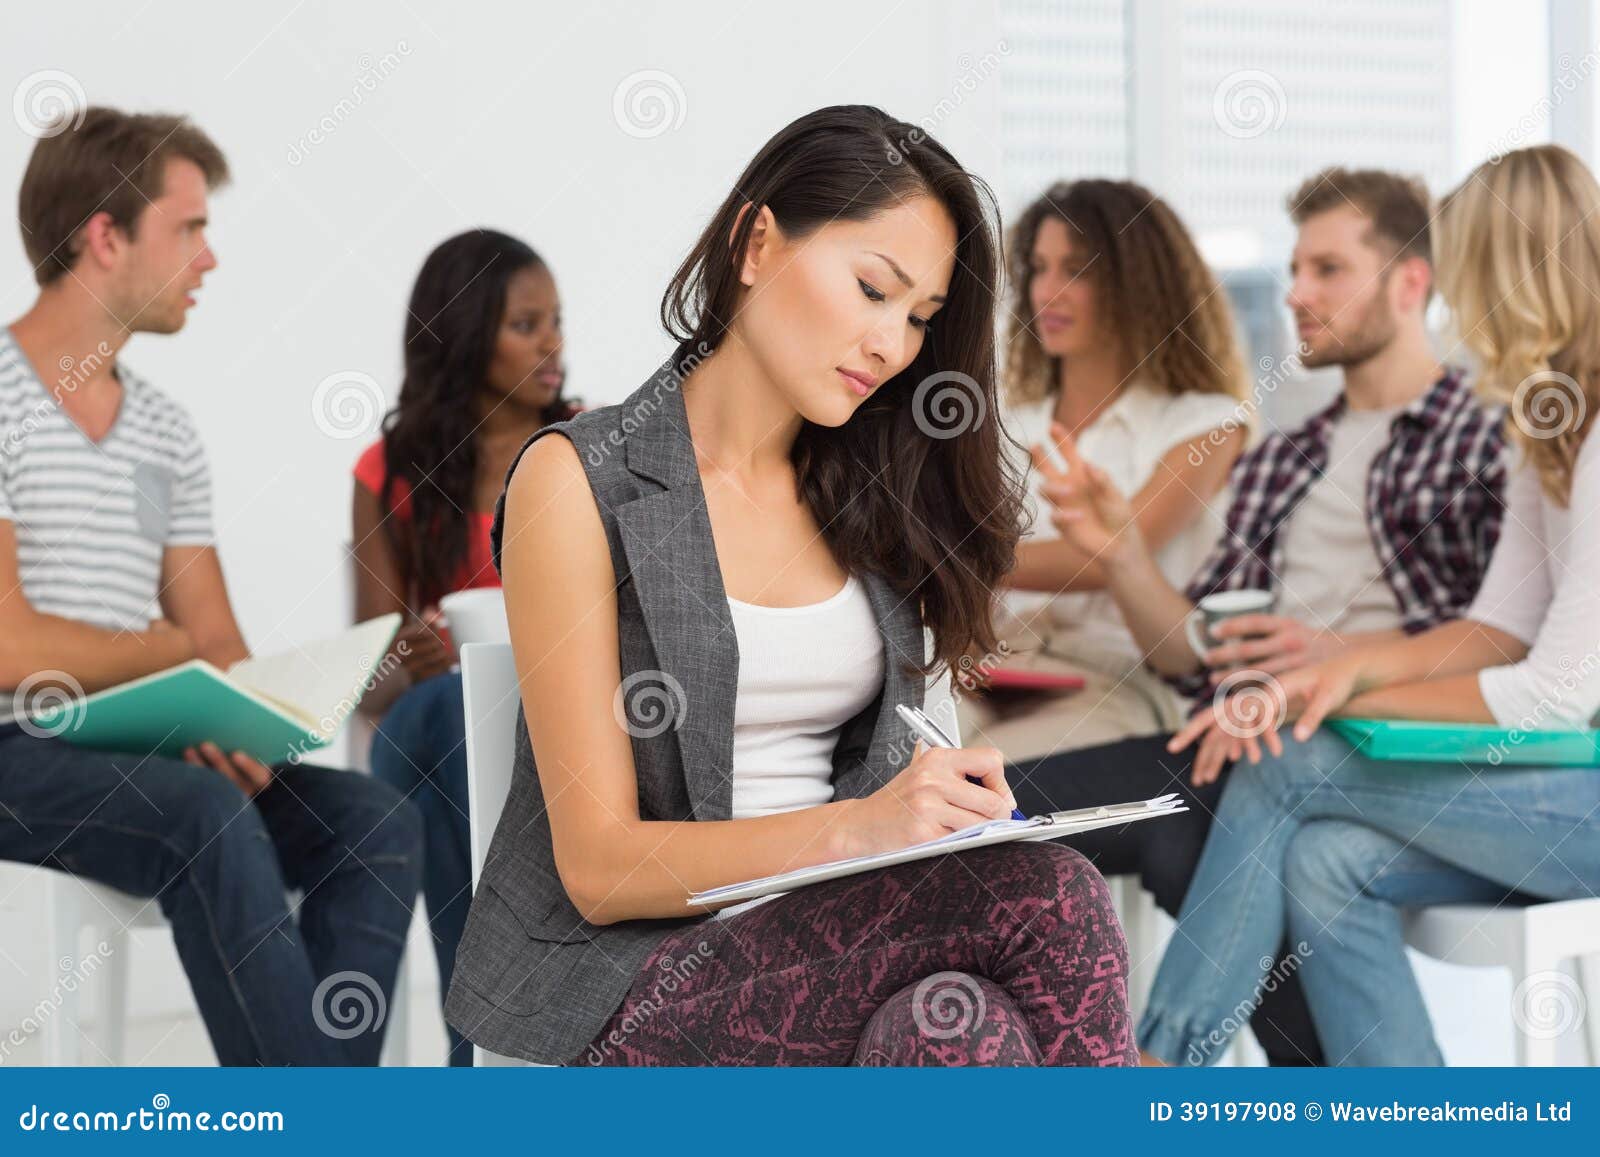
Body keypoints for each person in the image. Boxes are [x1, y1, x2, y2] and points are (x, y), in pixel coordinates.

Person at [444, 105, 1137, 1068]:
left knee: (955, 1030)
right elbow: (599, 867)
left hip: (846, 958)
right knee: (1051, 896)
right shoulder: (578, 478)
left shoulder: (873, 494)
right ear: (758, 242)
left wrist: (937, 809)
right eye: (871, 288)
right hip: (638, 988)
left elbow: (897, 766)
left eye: (919, 320)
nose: (894, 345)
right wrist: (862, 829)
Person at [1007, 167, 1508, 1065]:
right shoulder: (1284, 459)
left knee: (1199, 812)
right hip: (1246, 735)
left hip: (1388, 751)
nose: (1297, 295)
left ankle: (1156, 1069)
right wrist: (1120, 552)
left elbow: (1509, 646)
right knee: (1006, 805)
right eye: (1294, 270)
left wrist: (1336, 659)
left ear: (1410, 282)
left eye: (1327, 270)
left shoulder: (1485, 435)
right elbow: (1185, 656)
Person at [1135, 143, 1600, 1067]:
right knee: (1324, 861)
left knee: (1283, 761)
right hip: (1560, 793)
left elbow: (1555, 695)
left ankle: (1152, 1074)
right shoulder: (1546, 427)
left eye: (1468, 279)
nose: (1459, 309)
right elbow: (1494, 630)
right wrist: (1336, 667)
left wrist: (1322, 697)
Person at [0, 107, 422, 1066]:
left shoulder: (166, 432)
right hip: (15, 748)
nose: (210, 259)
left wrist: (240, 720)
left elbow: (214, 641)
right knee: (202, 814)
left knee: (375, 822)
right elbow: (9, 649)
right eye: (188, 229)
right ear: (105, 238)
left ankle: (304, 1116)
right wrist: (165, 653)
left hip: (143, 748)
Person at [352, 228, 577, 1066]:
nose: (553, 343)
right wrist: (407, 656)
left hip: (565, 717)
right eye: (526, 324)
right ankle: (481, 1039)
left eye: (556, 320)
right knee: (440, 710)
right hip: (442, 730)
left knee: (451, 715)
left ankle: (473, 1050)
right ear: (464, 331)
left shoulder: (590, 444)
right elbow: (367, 683)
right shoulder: (389, 472)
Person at [958, 179, 1248, 758]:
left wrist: (952, 554)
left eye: (1077, 271)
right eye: (1039, 268)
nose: (1048, 291)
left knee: (982, 777)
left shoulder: (1207, 423)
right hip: (993, 668)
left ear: (1136, 286)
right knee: (884, 762)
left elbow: (1106, 554)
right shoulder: (1003, 424)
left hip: (1115, 678)